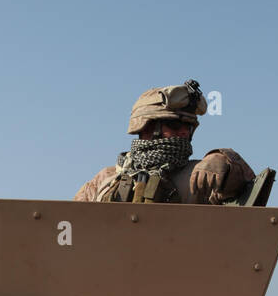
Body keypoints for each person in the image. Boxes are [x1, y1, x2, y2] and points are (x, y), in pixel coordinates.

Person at [73, 79, 255, 204]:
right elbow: (71, 220)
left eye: (189, 126)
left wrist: (227, 161)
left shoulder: (198, 176)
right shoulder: (105, 179)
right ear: (146, 127)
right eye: (174, 124)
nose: (184, 131)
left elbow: (241, 191)